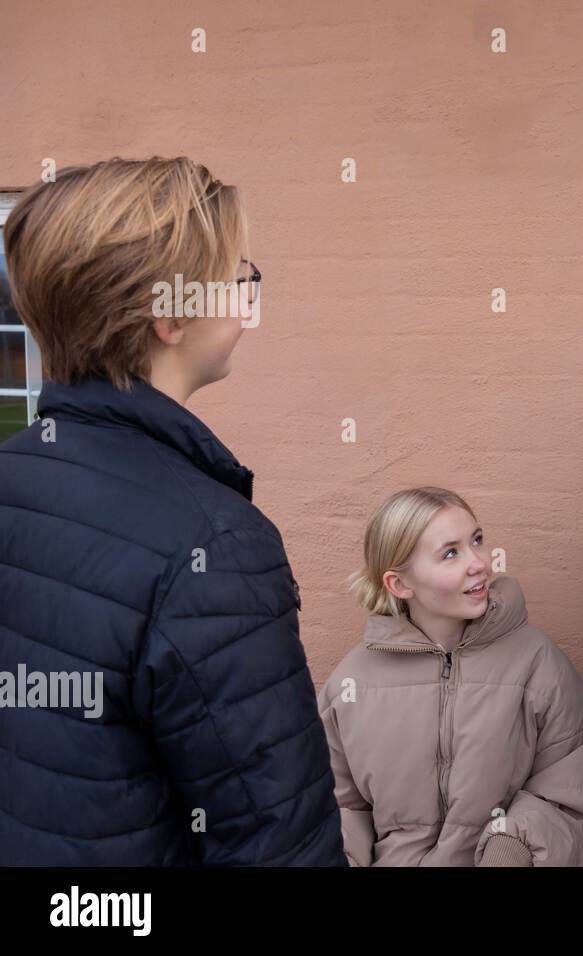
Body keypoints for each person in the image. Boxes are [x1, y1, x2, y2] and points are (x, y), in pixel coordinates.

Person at [0, 156, 345, 865]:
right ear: (169, 313)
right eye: (235, 274)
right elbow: (276, 842)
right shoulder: (213, 543)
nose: (248, 294)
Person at [318, 486, 583, 866]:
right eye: (451, 553)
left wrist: (512, 850)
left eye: (478, 541)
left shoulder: (538, 662)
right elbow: (337, 809)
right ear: (399, 584)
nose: (480, 563)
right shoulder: (350, 685)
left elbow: (569, 799)